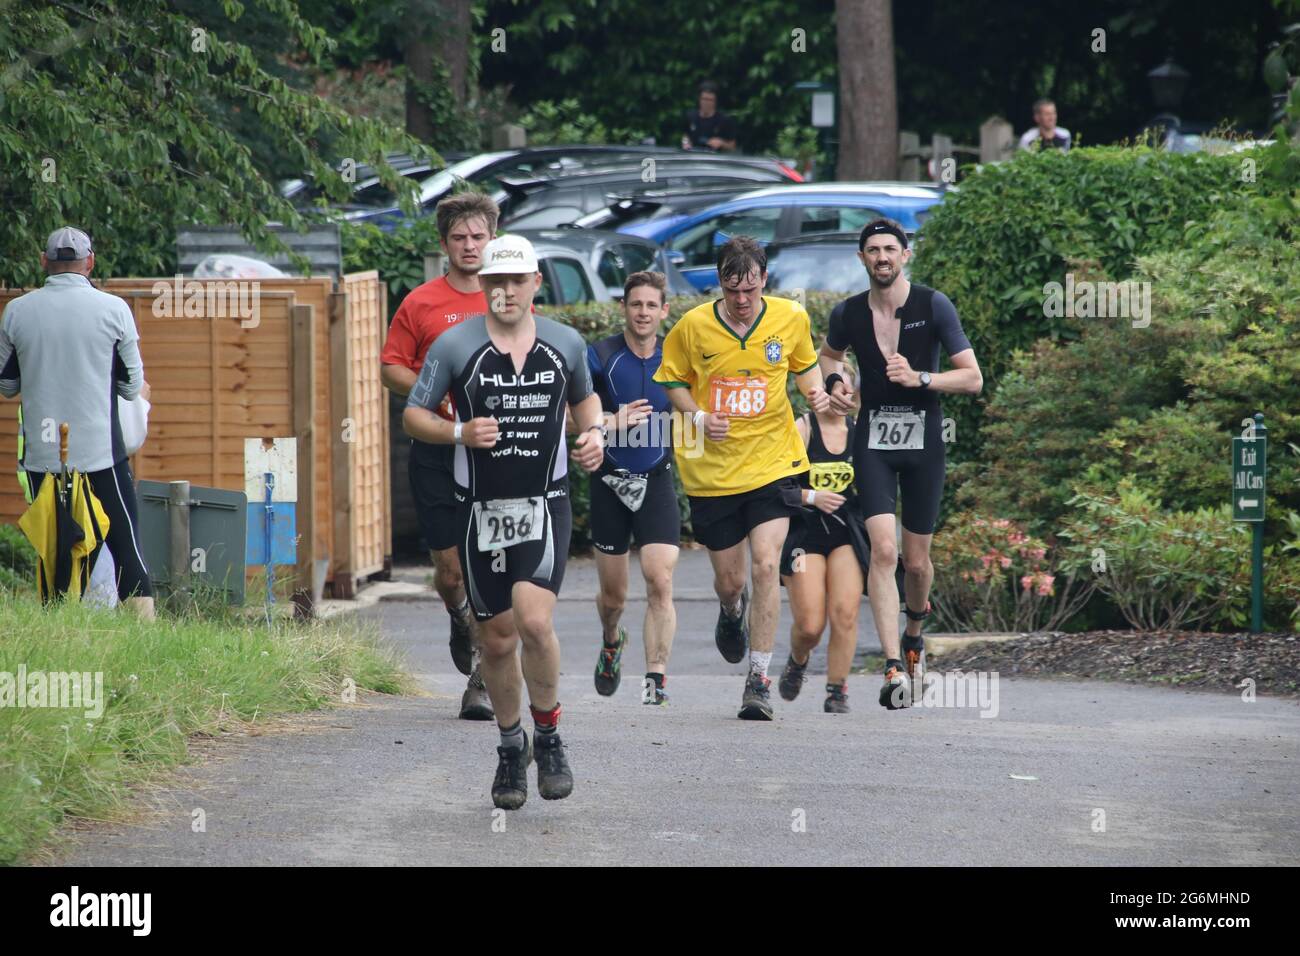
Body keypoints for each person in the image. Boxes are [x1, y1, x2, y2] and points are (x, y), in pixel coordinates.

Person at [402, 234, 606, 811]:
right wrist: (458, 432)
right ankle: (511, 747)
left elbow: (587, 405)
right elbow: (414, 414)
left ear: (535, 283)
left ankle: (550, 734)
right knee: (496, 639)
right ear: (484, 286)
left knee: (535, 621)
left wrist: (594, 435)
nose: (506, 292)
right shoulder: (453, 345)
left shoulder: (566, 342)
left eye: (517, 281)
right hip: (480, 510)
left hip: (546, 503)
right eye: (496, 282)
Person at [654, 235, 829, 720]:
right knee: (731, 582)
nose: (742, 300)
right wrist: (698, 416)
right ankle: (732, 612)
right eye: (733, 291)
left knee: (767, 565)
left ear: (764, 281)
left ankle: (758, 681)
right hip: (713, 473)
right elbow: (671, 381)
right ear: (720, 284)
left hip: (774, 464)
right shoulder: (692, 327)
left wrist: (817, 396)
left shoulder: (791, 318)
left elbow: (805, 370)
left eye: (751, 289)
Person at [820, 219, 983, 709]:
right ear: (862, 258)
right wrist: (836, 385)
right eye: (873, 250)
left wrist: (922, 378)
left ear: (905, 255)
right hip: (872, 441)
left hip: (923, 445)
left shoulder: (933, 305)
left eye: (891, 248)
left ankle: (914, 633)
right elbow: (828, 356)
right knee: (884, 551)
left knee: (915, 561)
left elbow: (972, 378)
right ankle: (893, 664)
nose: (882, 257)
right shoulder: (847, 313)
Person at [380, 192, 499, 721]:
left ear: (492, 239)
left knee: (488, 567)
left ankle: (482, 677)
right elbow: (391, 368)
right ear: (444, 243)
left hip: (494, 452)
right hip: (435, 448)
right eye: (459, 238)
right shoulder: (421, 302)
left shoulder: (508, 296)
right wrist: (438, 392)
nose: (469, 246)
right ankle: (458, 616)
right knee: (450, 572)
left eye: (478, 237)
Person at [0, 227, 154, 620]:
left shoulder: (17, 311)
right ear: (90, 262)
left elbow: (7, 385)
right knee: (125, 547)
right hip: (101, 454)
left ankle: (57, 635)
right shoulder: (114, 309)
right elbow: (132, 385)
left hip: (43, 458)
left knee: (55, 552)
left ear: (44, 261)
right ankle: (146, 634)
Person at [586, 271, 679, 706]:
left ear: (664, 311)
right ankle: (610, 640)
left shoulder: (676, 356)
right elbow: (571, 417)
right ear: (623, 307)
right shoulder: (601, 355)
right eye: (635, 304)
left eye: (651, 305)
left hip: (657, 478)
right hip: (609, 482)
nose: (643, 313)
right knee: (614, 596)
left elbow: (696, 407)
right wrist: (612, 421)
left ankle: (655, 679)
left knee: (660, 578)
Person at [776, 396, 863, 713]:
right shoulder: (803, 428)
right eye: (832, 389)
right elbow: (774, 484)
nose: (840, 398)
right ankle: (798, 659)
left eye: (847, 392)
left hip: (846, 534)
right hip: (805, 534)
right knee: (811, 625)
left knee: (845, 613)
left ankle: (837, 690)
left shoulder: (861, 431)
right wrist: (811, 496)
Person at [682, 81, 738, 152]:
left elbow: (732, 146)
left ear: (715, 101)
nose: (706, 103)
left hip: (715, 159)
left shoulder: (725, 120)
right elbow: (685, 136)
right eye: (704, 99)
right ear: (699, 99)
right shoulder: (690, 117)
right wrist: (686, 143)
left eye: (710, 100)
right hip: (694, 156)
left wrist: (722, 143)